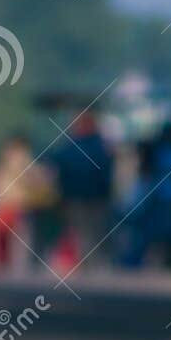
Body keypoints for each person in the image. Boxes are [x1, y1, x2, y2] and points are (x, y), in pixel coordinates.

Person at [51, 112, 113, 270]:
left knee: (82, 230)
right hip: (93, 196)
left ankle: (86, 262)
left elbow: (59, 166)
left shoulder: (70, 147)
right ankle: (90, 262)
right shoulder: (101, 147)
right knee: (91, 230)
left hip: (77, 196)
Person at [0, 135, 49, 274]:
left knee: (3, 237)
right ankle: (17, 267)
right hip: (18, 203)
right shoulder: (22, 159)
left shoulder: (2, 162)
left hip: (3, 203)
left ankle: (3, 267)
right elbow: (33, 179)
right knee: (19, 237)